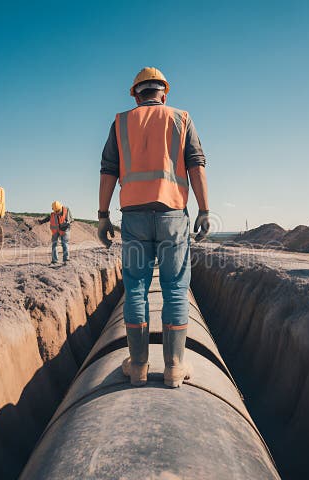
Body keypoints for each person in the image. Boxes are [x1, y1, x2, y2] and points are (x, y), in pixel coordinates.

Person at [97, 67, 210, 388]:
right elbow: (196, 165)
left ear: (135, 94)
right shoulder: (181, 118)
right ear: (165, 92)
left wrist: (103, 215)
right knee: (175, 288)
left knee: (135, 288)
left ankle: (138, 366)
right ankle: (174, 367)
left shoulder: (120, 123)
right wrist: (203, 209)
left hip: (132, 217)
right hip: (173, 215)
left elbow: (108, 171)